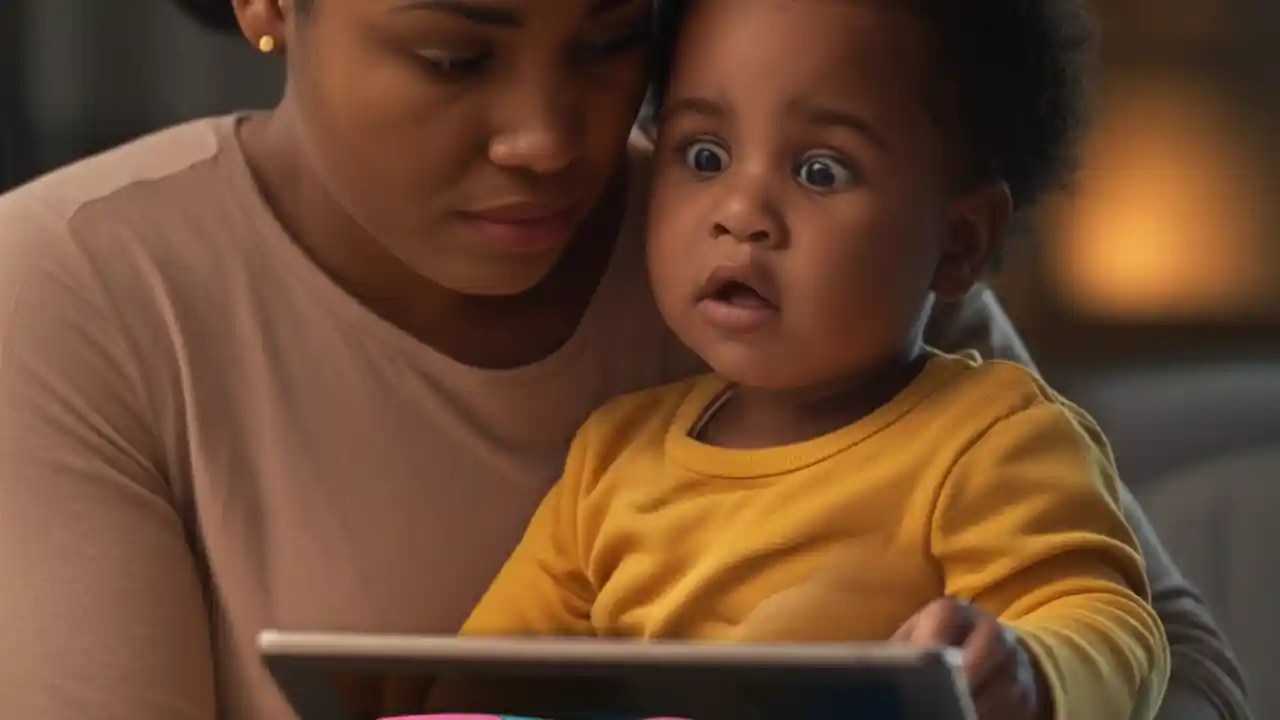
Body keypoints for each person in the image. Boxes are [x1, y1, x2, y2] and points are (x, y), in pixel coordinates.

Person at [0, 0, 1247, 718]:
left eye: (609, 43)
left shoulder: (881, 302)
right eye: (456, 55)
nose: (549, 141)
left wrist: (1021, 680)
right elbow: (487, 673)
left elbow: (1164, 660)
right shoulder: (76, 293)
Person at [458, 0, 1164, 718]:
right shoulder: (609, 460)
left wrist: (1028, 670)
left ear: (959, 242)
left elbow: (1107, 624)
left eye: (820, 171)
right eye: (705, 157)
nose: (741, 212)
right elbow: (481, 677)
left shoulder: (990, 438)